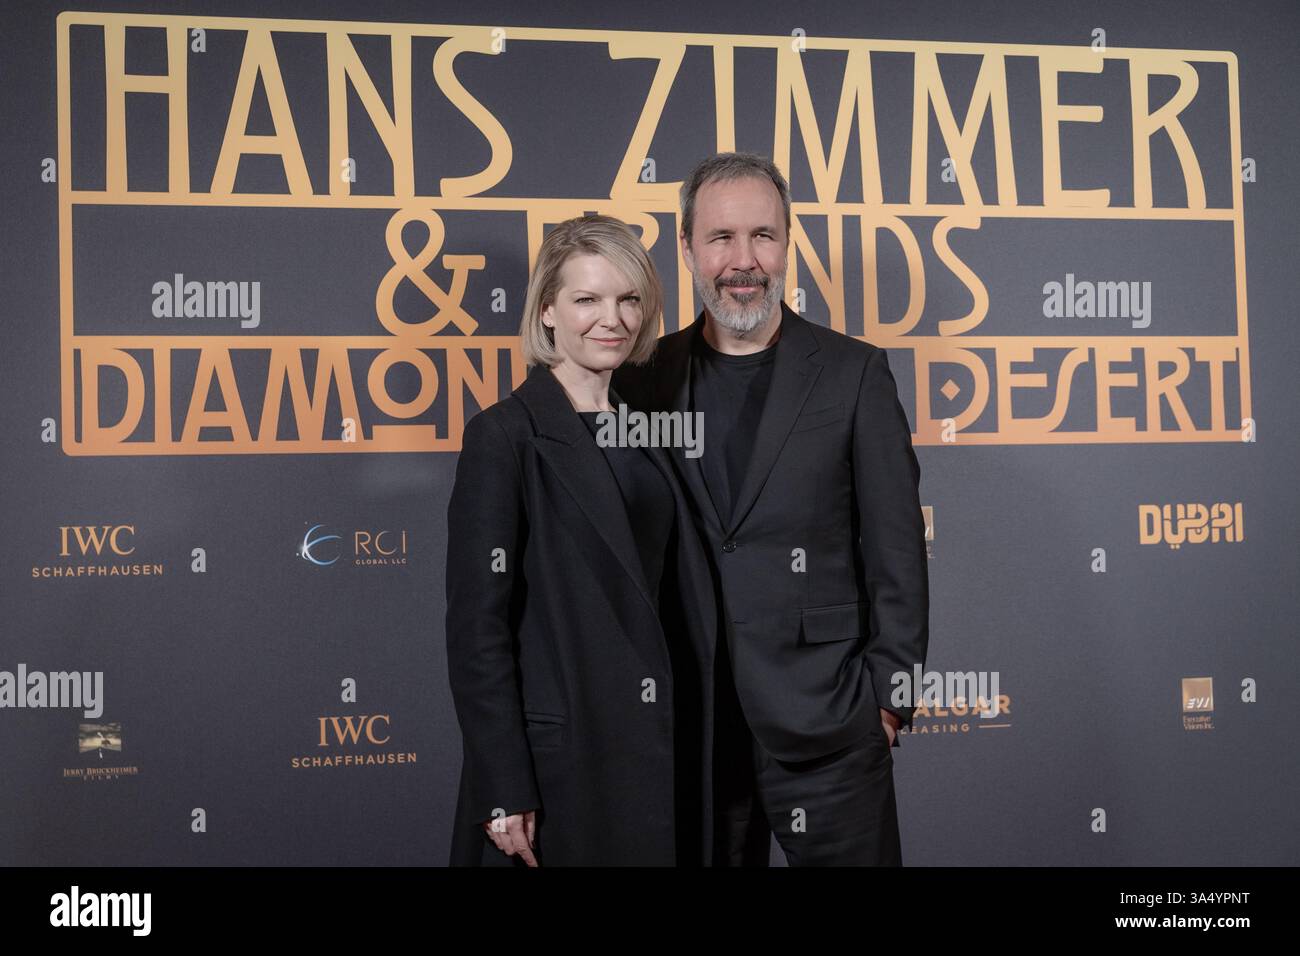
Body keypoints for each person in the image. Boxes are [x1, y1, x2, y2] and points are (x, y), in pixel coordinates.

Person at [613, 153, 930, 866]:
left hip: (831, 726)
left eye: (763, 235)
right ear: (688, 247)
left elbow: (898, 553)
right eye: (721, 238)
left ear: (787, 244)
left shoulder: (853, 373)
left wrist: (887, 703)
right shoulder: (643, 379)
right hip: (693, 732)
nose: (743, 260)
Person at [444, 214, 718, 866]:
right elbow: (477, 630)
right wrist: (503, 784)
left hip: (660, 750)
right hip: (564, 763)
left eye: (628, 300)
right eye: (587, 299)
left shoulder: (650, 430)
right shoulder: (505, 437)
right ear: (547, 311)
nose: (613, 319)